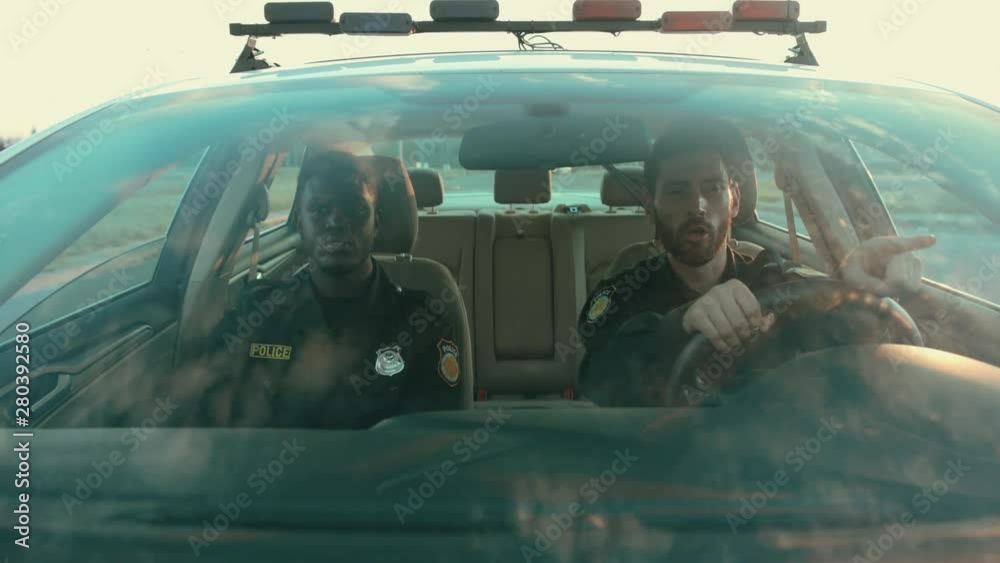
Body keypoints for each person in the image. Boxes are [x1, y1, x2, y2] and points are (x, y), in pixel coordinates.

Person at [576, 119, 935, 407]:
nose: (698, 206)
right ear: (649, 205)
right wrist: (679, 326)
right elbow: (599, 380)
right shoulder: (623, 293)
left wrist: (860, 292)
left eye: (713, 188)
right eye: (677, 190)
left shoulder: (774, 281)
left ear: (733, 201)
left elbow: (846, 350)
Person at [178, 150, 464, 429]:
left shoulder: (422, 321)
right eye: (319, 210)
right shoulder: (256, 315)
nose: (337, 221)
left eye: (355, 209)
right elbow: (206, 425)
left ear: (376, 223)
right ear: (301, 225)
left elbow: (436, 439)